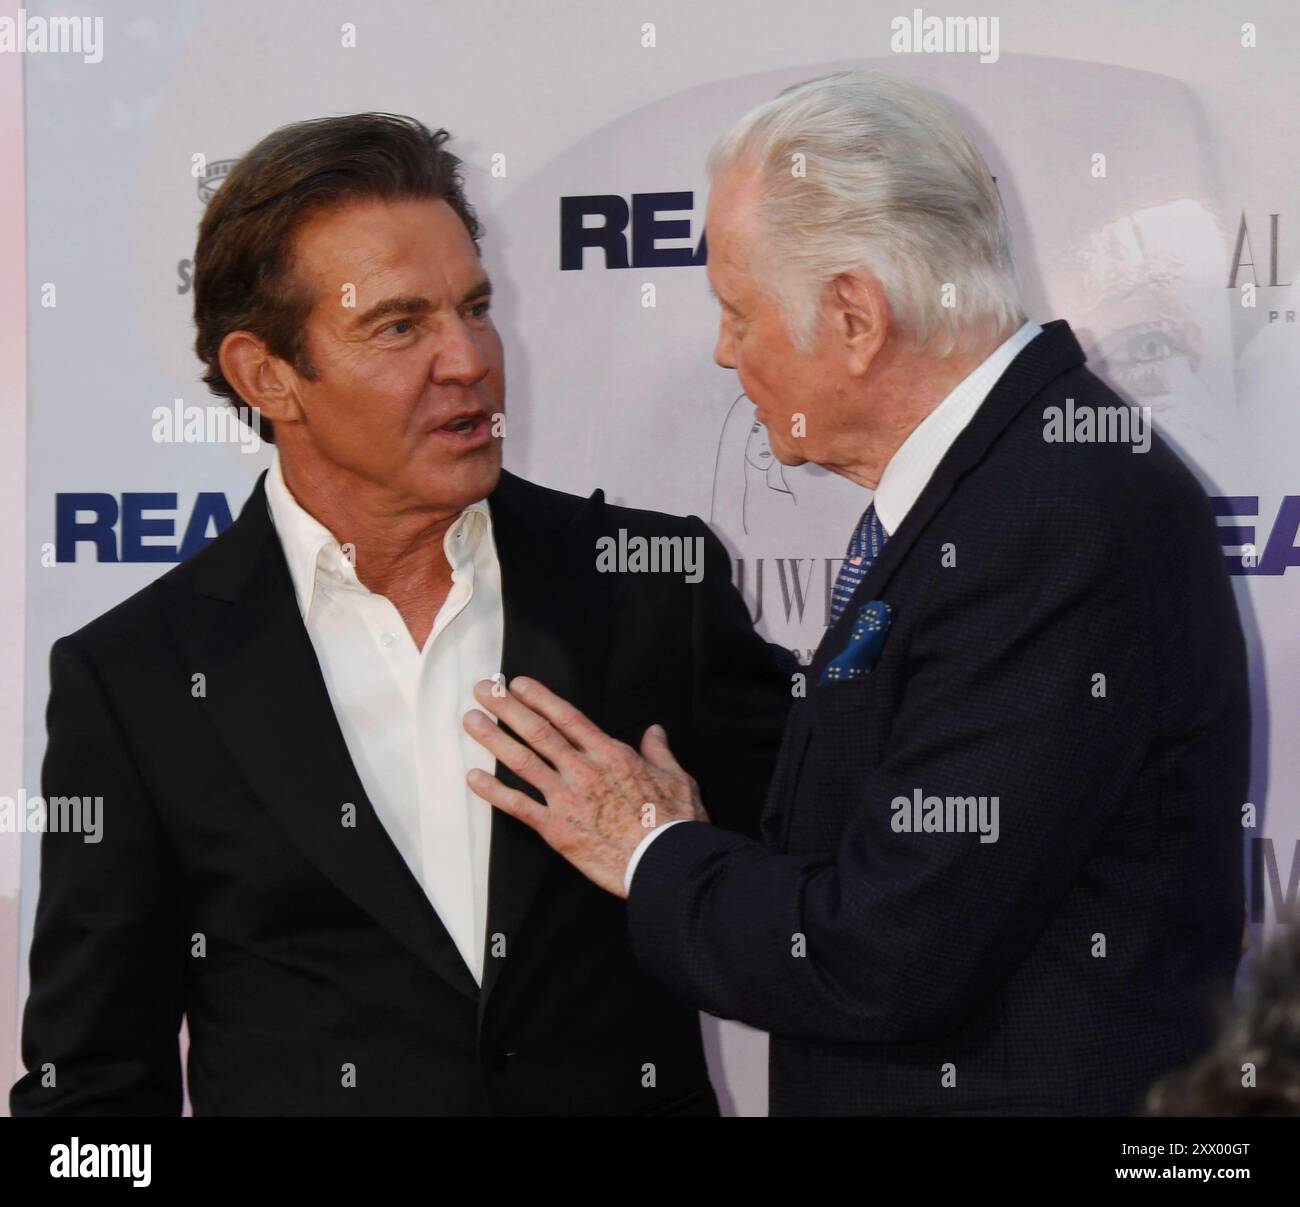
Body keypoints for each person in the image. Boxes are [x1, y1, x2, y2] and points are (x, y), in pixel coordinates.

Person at [462, 72, 1251, 1116]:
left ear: (853, 316)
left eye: (736, 311)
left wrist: (646, 850)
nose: (723, 350)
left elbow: (886, 951)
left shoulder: (1052, 514)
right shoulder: (996, 492)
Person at [11, 113, 790, 1117]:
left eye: (473, 307)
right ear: (267, 376)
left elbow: (832, 910)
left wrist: (679, 853)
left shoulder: (646, 584)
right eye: (398, 324)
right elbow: (93, 1087)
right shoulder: (139, 678)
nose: (466, 360)